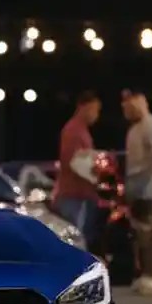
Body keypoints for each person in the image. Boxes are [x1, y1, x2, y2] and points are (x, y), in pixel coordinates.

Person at [122, 89, 152, 295]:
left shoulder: (151, 124)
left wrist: (141, 177)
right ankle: (146, 273)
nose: (126, 111)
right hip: (137, 190)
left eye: (129, 106)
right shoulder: (133, 130)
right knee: (141, 236)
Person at [52, 90, 103, 248]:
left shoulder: (79, 130)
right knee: (73, 242)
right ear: (84, 107)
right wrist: (94, 174)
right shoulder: (73, 131)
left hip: (79, 195)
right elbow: (72, 163)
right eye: (95, 110)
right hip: (73, 196)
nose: (96, 115)